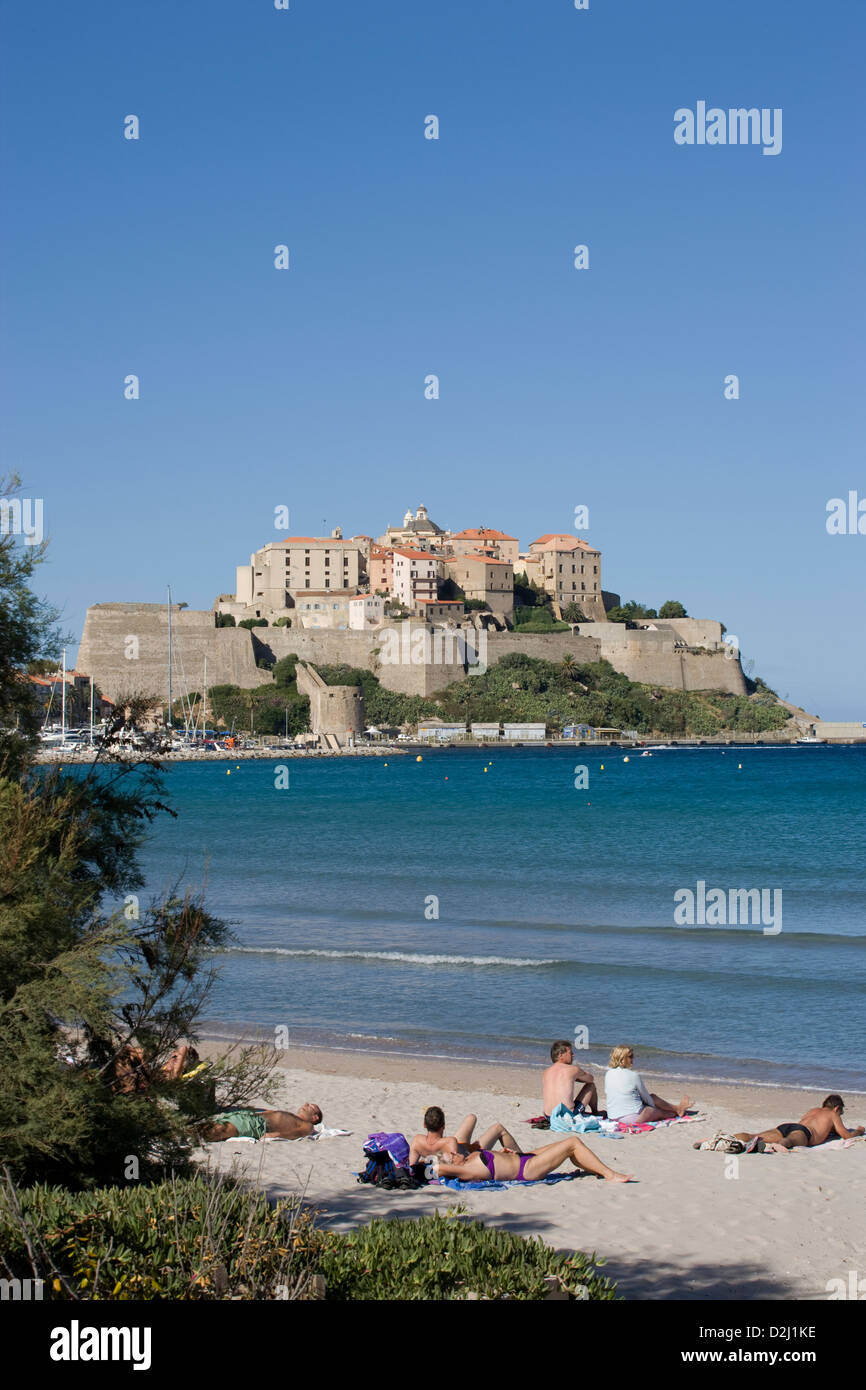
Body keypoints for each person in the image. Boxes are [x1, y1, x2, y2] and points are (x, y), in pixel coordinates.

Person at [433, 1135, 633, 1184]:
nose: (453, 1152)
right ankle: (610, 1174)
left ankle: (595, 1169)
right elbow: (440, 1170)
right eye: (451, 1156)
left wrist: (502, 1153)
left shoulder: (469, 1159)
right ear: (453, 1167)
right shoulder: (467, 1170)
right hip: (526, 1170)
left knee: (564, 1146)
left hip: (524, 1158)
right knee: (573, 1143)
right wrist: (437, 1164)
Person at [732, 1095, 865, 1153]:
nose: (840, 1115)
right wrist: (859, 1131)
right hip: (804, 1133)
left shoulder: (813, 1110)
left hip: (788, 1126)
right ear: (836, 1108)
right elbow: (847, 1135)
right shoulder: (833, 1114)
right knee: (789, 1141)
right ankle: (775, 1147)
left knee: (753, 1136)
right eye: (841, 1112)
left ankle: (730, 1138)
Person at [604, 1045, 690, 1124]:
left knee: (651, 1101)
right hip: (633, 1118)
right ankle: (677, 1110)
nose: (633, 1059)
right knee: (657, 1110)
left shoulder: (608, 1073)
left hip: (613, 1116)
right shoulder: (633, 1075)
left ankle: (678, 1109)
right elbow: (646, 1098)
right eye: (630, 1056)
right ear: (622, 1059)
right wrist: (655, 1108)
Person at [408, 1107, 520, 1165]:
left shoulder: (417, 1140)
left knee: (471, 1117)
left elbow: (412, 1165)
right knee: (498, 1128)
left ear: (424, 1125)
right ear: (443, 1126)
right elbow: (460, 1164)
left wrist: (426, 1160)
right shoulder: (450, 1141)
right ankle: (523, 1157)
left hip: (459, 1145)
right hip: (470, 1152)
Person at [202, 1101, 323, 1142]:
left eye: (311, 1106)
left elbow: (298, 1133)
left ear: (315, 1118)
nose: (306, 1104)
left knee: (218, 1130)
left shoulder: (307, 1125)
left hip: (256, 1125)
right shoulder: (293, 1117)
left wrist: (276, 1135)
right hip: (247, 1117)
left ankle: (195, 1137)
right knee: (205, 1126)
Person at [542, 1040, 599, 1118]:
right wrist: (576, 1077)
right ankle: (595, 1112)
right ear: (560, 1055)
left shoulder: (546, 1072)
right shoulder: (573, 1069)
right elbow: (590, 1079)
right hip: (567, 1116)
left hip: (548, 1116)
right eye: (570, 1053)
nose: (573, 1055)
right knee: (591, 1086)